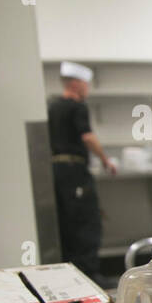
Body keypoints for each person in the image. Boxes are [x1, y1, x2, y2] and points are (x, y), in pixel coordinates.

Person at [48, 61, 116, 280]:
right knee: (86, 221)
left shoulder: (53, 106)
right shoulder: (77, 107)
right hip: (74, 171)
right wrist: (106, 160)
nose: (87, 89)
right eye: (86, 84)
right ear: (76, 84)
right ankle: (89, 275)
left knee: (67, 222)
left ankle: (72, 277)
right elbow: (87, 136)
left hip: (57, 172)